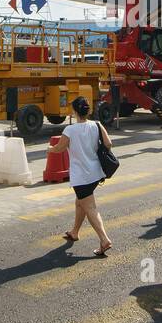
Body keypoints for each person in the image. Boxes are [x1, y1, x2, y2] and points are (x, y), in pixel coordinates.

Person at [51, 96, 114, 257]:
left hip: (81, 177)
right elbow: (108, 144)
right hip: (96, 173)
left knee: (90, 207)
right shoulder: (97, 125)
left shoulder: (70, 130)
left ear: (74, 112)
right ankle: (74, 232)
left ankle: (104, 239)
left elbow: (59, 149)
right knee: (81, 203)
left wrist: (49, 149)